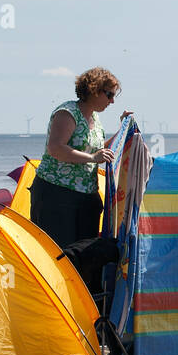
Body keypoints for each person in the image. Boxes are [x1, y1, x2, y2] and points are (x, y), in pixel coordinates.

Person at [30, 67, 130, 247]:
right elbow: (56, 148)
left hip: (84, 196)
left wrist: (122, 130)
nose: (112, 101)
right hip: (57, 194)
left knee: (85, 254)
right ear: (94, 89)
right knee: (59, 253)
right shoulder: (67, 112)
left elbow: (99, 150)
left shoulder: (94, 117)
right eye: (109, 95)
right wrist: (93, 158)